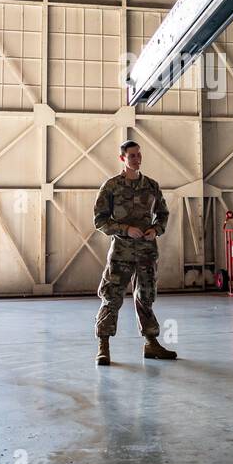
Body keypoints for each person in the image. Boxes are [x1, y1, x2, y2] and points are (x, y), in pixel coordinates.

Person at [92, 140, 177, 365]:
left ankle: (151, 343)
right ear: (122, 159)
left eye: (139, 155)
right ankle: (104, 345)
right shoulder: (111, 187)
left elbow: (163, 213)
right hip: (121, 252)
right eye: (132, 156)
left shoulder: (151, 186)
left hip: (147, 252)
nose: (137, 159)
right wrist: (125, 229)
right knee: (112, 297)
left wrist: (155, 230)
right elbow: (99, 220)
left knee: (146, 297)